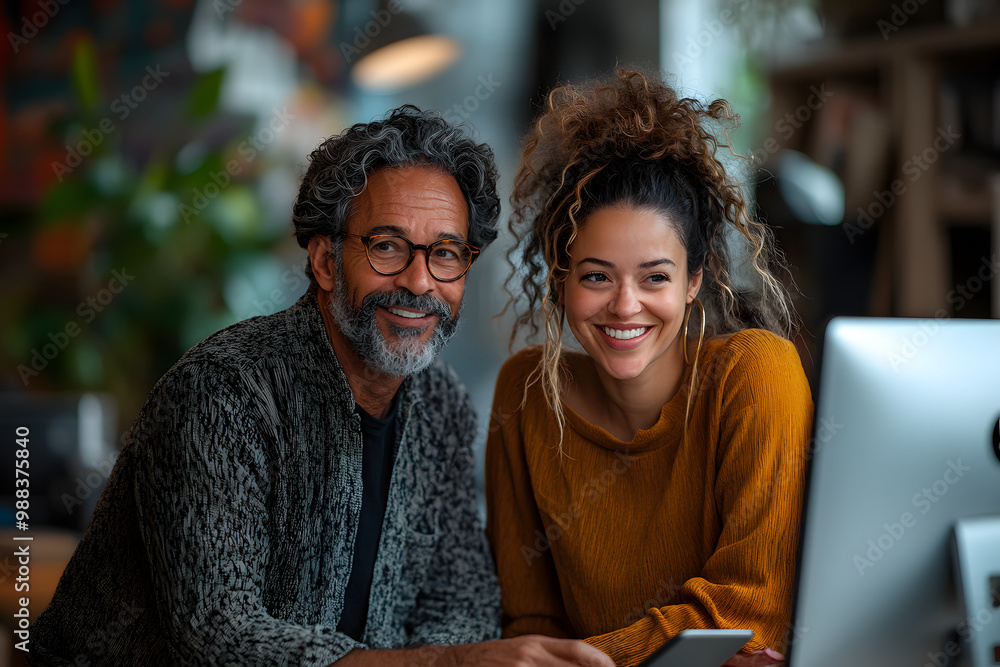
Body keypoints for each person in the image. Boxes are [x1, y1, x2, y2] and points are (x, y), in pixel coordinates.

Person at [30, 105, 614, 667]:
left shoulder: (443, 405)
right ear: (327, 261)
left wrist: (455, 655)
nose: (419, 282)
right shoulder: (223, 391)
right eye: (386, 247)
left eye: (445, 253)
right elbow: (219, 640)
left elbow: (460, 606)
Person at [485, 70, 814, 667]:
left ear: (694, 282)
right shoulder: (526, 394)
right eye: (596, 276)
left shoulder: (758, 375)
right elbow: (529, 622)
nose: (625, 305)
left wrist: (580, 662)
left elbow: (751, 613)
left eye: (655, 277)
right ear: (560, 281)